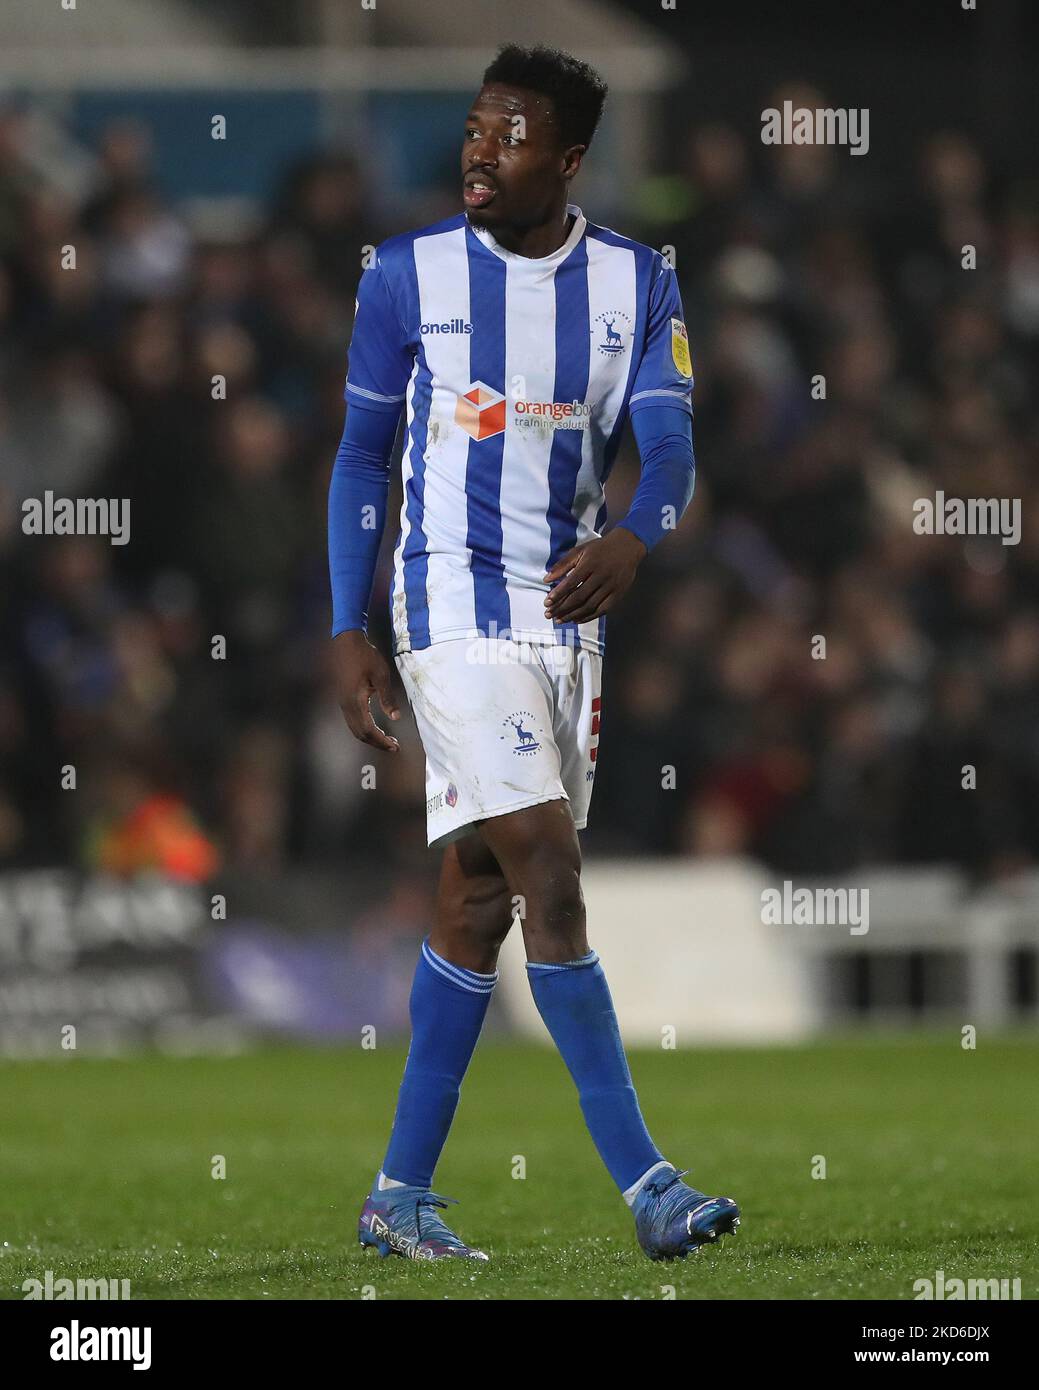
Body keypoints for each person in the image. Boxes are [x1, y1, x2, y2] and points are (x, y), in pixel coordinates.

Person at [329, 43, 739, 1262]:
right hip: (446, 605)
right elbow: (360, 460)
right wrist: (350, 624)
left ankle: (397, 1193)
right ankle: (650, 1188)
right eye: (472, 127)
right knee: (549, 870)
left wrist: (636, 536)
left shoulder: (637, 282)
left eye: (509, 136)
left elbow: (670, 454)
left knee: (476, 900)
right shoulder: (404, 276)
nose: (478, 149)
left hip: (565, 616)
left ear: (566, 160)